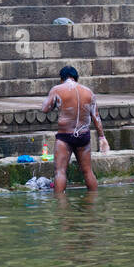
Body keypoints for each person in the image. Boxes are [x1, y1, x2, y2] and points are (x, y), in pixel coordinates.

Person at [40, 66, 109, 194]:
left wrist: (55, 103)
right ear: (76, 78)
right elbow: (96, 117)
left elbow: (44, 109)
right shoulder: (88, 92)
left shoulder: (57, 89)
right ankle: (93, 201)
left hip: (65, 136)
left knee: (60, 171)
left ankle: (61, 207)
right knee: (88, 171)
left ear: (62, 79)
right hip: (83, 136)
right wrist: (102, 138)